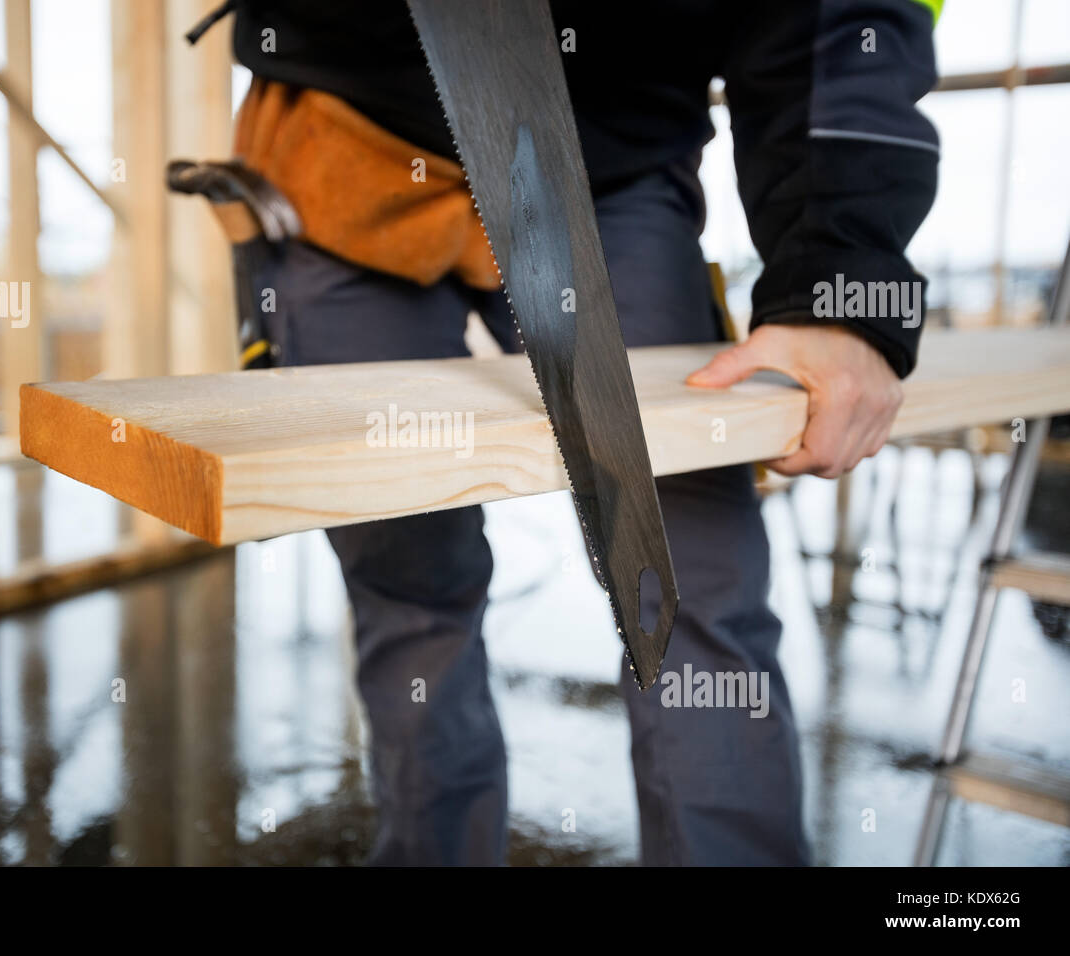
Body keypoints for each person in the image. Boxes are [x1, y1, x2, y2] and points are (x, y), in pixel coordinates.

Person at [216, 0, 942, 864]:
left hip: (613, 164)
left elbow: (840, 17)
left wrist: (836, 280)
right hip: (342, 157)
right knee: (411, 592)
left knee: (685, 588)